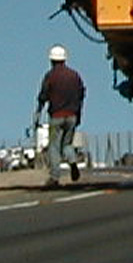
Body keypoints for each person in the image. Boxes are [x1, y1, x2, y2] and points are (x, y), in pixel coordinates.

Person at [35, 44, 85, 185]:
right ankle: (73, 161)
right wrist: (78, 114)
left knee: (54, 147)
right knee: (67, 144)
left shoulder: (50, 76)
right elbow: (81, 95)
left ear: (51, 60)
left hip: (56, 116)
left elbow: (43, 95)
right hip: (72, 116)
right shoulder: (74, 76)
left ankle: (55, 177)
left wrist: (39, 110)